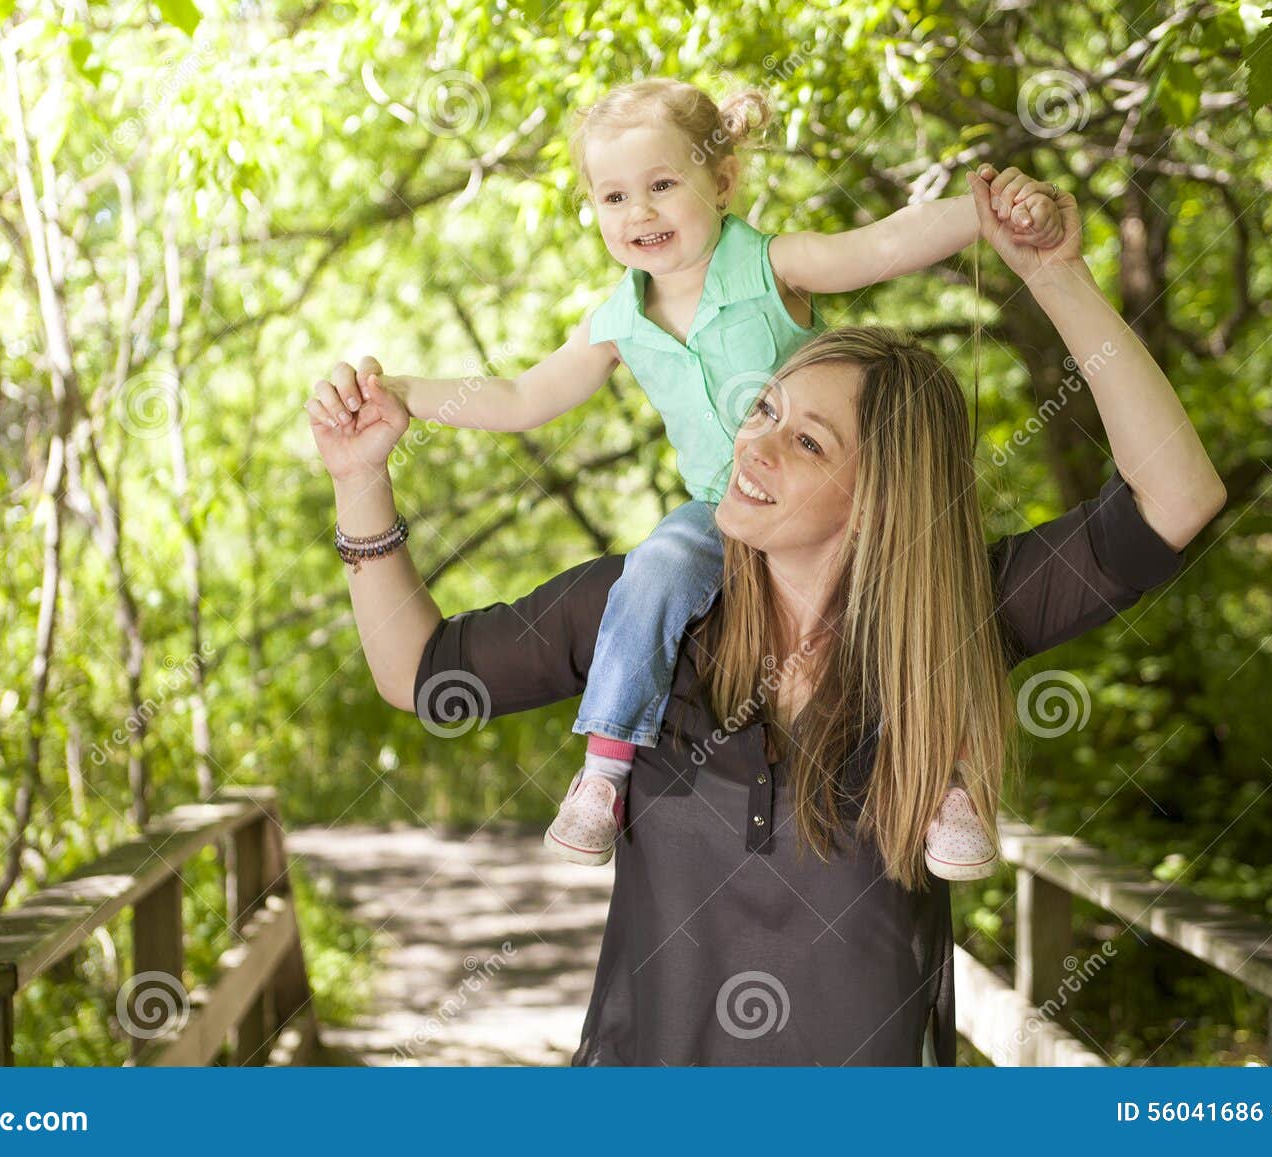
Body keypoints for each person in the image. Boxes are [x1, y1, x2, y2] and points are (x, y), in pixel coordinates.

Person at [304, 167, 1227, 1065]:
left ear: (879, 497)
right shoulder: (648, 613)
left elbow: (1177, 499)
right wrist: (360, 479)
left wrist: (1055, 275)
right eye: (764, 409)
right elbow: (422, 675)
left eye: (807, 440)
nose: (755, 445)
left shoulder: (955, 614)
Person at [340, 77, 1066, 878]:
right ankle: (605, 767)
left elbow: (881, 245)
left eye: (662, 185)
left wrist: (984, 213)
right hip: (721, 512)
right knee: (652, 571)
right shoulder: (617, 321)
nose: (639, 212)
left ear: (722, 182)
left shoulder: (771, 266)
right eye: (615, 196)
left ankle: (952, 776)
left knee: (911, 583)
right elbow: (520, 398)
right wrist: (402, 393)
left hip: (828, 506)